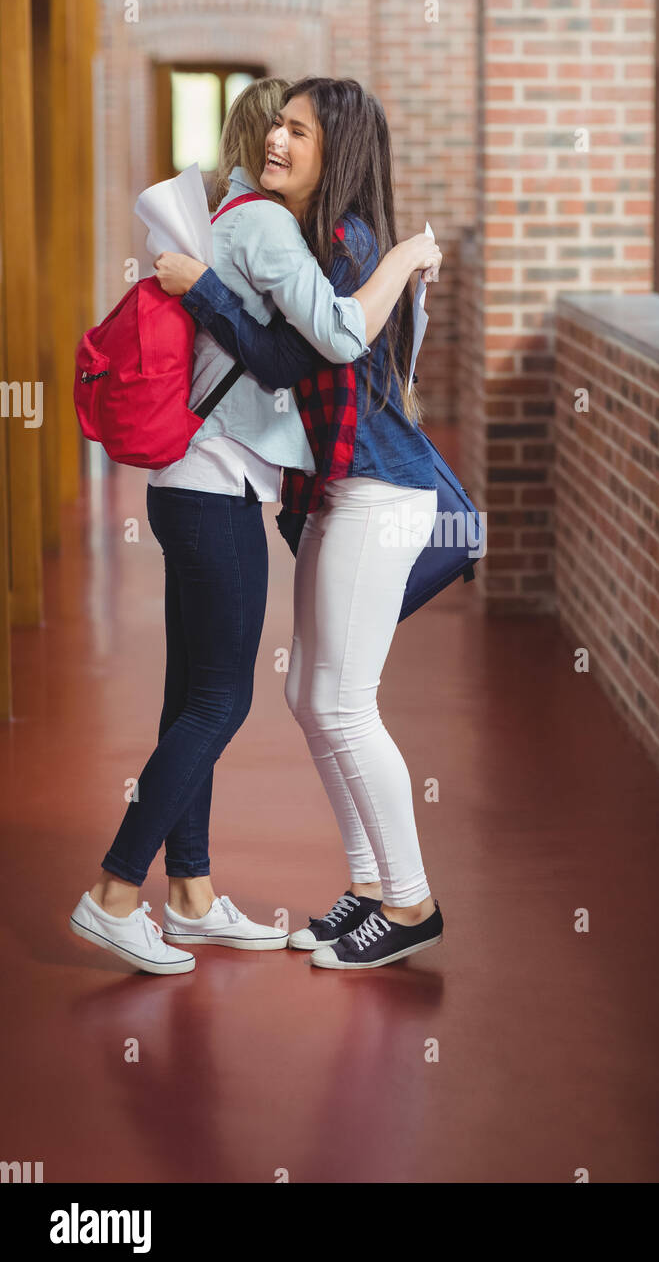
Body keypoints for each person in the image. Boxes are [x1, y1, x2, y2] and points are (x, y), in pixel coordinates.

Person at [69, 77, 440, 976]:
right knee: (239, 699)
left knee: (252, 699)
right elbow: (298, 350)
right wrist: (408, 259)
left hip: (283, 486)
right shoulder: (280, 227)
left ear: (336, 152)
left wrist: (401, 259)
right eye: (278, 125)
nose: (277, 140)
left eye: (299, 132)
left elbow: (325, 346)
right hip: (231, 484)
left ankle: (372, 900)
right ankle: (142, 894)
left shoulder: (311, 234)